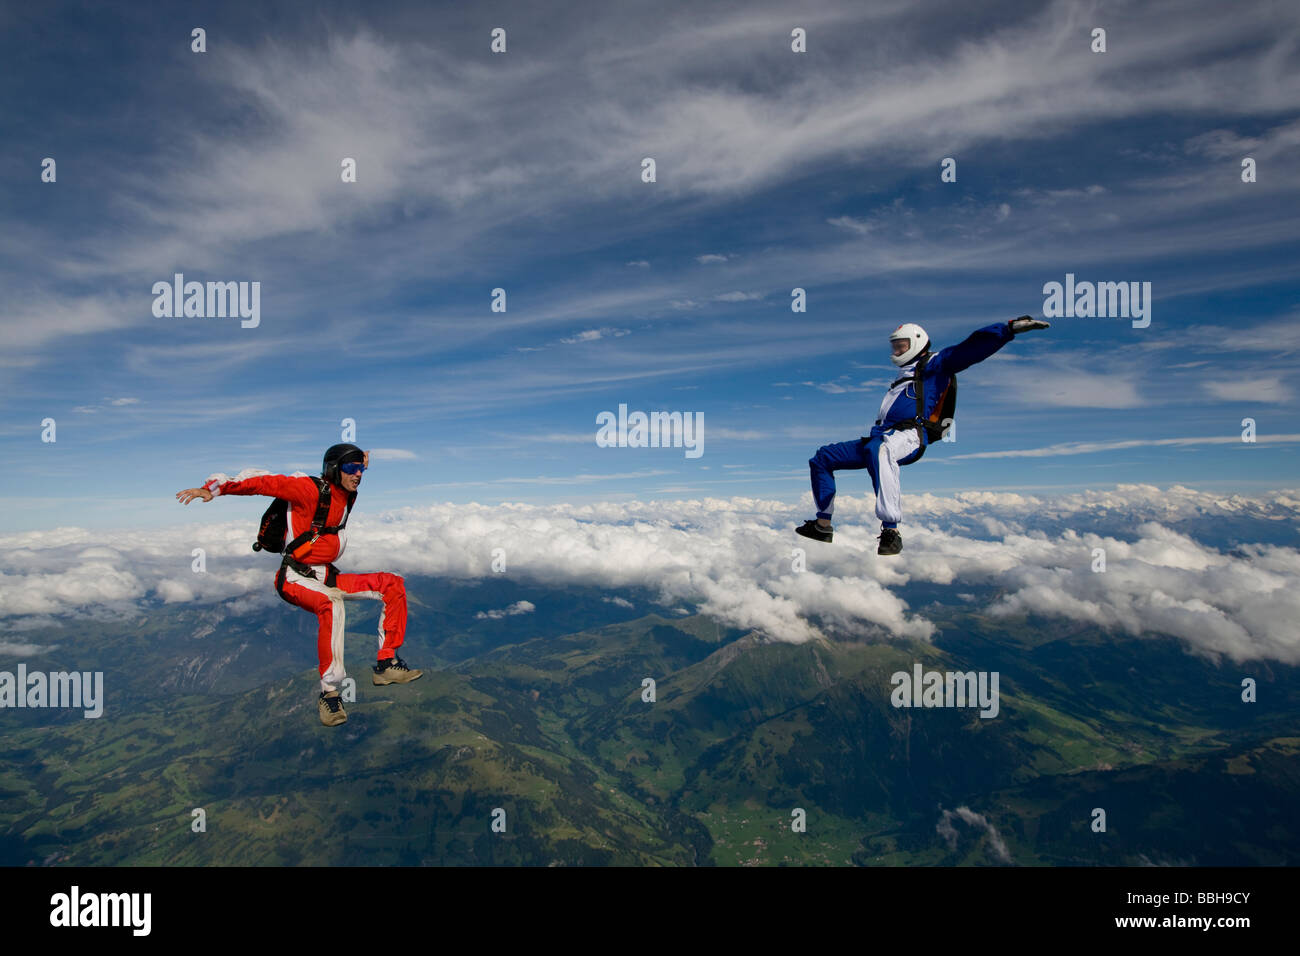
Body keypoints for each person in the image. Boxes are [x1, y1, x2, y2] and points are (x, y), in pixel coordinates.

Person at [176, 443, 421, 727]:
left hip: (325, 575)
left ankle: (386, 663)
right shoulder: (308, 489)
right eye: (352, 469)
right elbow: (263, 482)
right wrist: (215, 489)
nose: (359, 475)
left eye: (361, 469)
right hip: (294, 577)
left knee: (392, 584)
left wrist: (360, 460)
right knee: (331, 604)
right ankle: (329, 695)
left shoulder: (346, 491)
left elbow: (352, 469)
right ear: (333, 469)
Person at [797, 316, 1049, 555]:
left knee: (881, 450)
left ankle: (891, 531)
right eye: (894, 345)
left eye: (901, 345)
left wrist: (1007, 329)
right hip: (881, 436)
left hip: (909, 436)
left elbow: (969, 349)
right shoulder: (903, 374)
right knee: (823, 457)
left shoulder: (935, 363)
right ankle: (822, 525)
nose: (896, 350)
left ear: (916, 342)